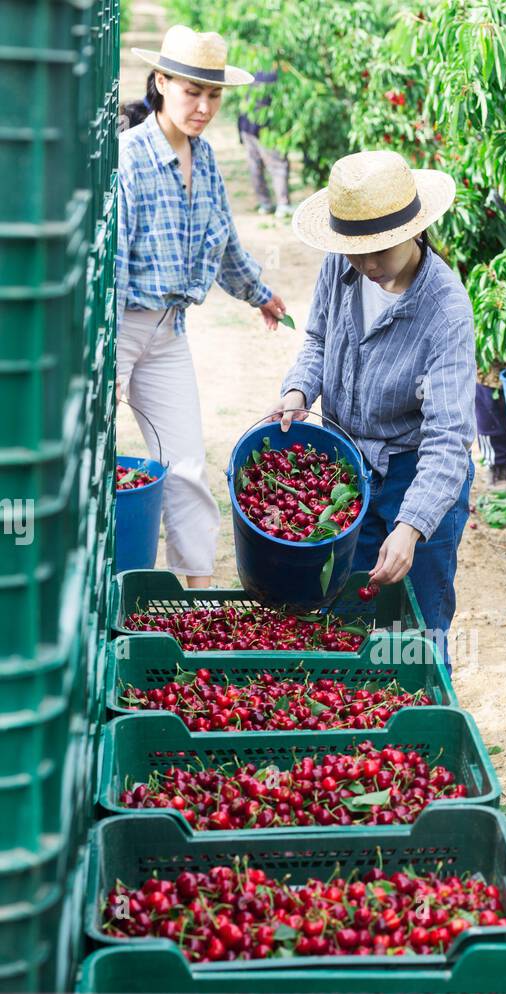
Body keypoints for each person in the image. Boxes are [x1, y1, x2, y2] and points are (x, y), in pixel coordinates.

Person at [264, 150, 476, 664]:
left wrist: (412, 525)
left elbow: (447, 440)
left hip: (414, 472)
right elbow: (317, 339)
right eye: (356, 251)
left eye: (379, 249)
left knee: (418, 629)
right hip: (350, 471)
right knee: (348, 620)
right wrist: (298, 391)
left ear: (414, 229)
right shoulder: (343, 264)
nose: (367, 264)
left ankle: (424, 731)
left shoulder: (445, 311)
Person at [117, 25, 288, 588]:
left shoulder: (207, 156)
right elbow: (113, 261)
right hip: (120, 326)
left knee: (186, 465)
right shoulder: (130, 158)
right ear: (161, 82)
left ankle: (192, 591)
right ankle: (102, 579)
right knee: (94, 461)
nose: (204, 106)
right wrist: (105, 363)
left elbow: (224, 238)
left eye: (213, 95)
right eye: (192, 91)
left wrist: (258, 292)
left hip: (168, 331)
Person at [238, 70, 292, 217]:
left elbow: (243, 104)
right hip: (267, 130)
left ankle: (265, 203)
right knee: (278, 166)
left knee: (255, 167)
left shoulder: (253, 72)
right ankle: (283, 204)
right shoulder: (276, 77)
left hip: (247, 127)